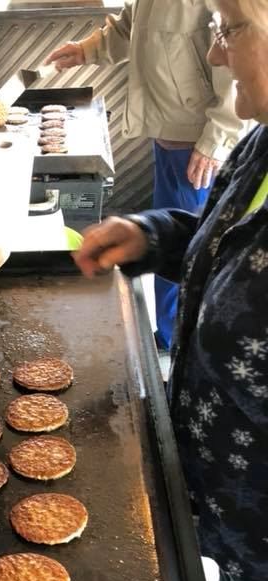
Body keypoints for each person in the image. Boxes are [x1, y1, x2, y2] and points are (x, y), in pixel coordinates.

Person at [72, 0, 268, 581]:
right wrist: (151, 234)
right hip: (229, 491)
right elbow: (215, 239)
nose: (218, 47)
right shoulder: (262, 146)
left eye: (235, 26)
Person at [46, 1, 244, 350]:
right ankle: (168, 335)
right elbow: (127, 28)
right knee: (169, 238)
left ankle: (183, 338)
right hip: (167, 132)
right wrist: (85, 50)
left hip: (197, 143)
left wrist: (216, 140)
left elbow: (235, 66)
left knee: (198, 246)